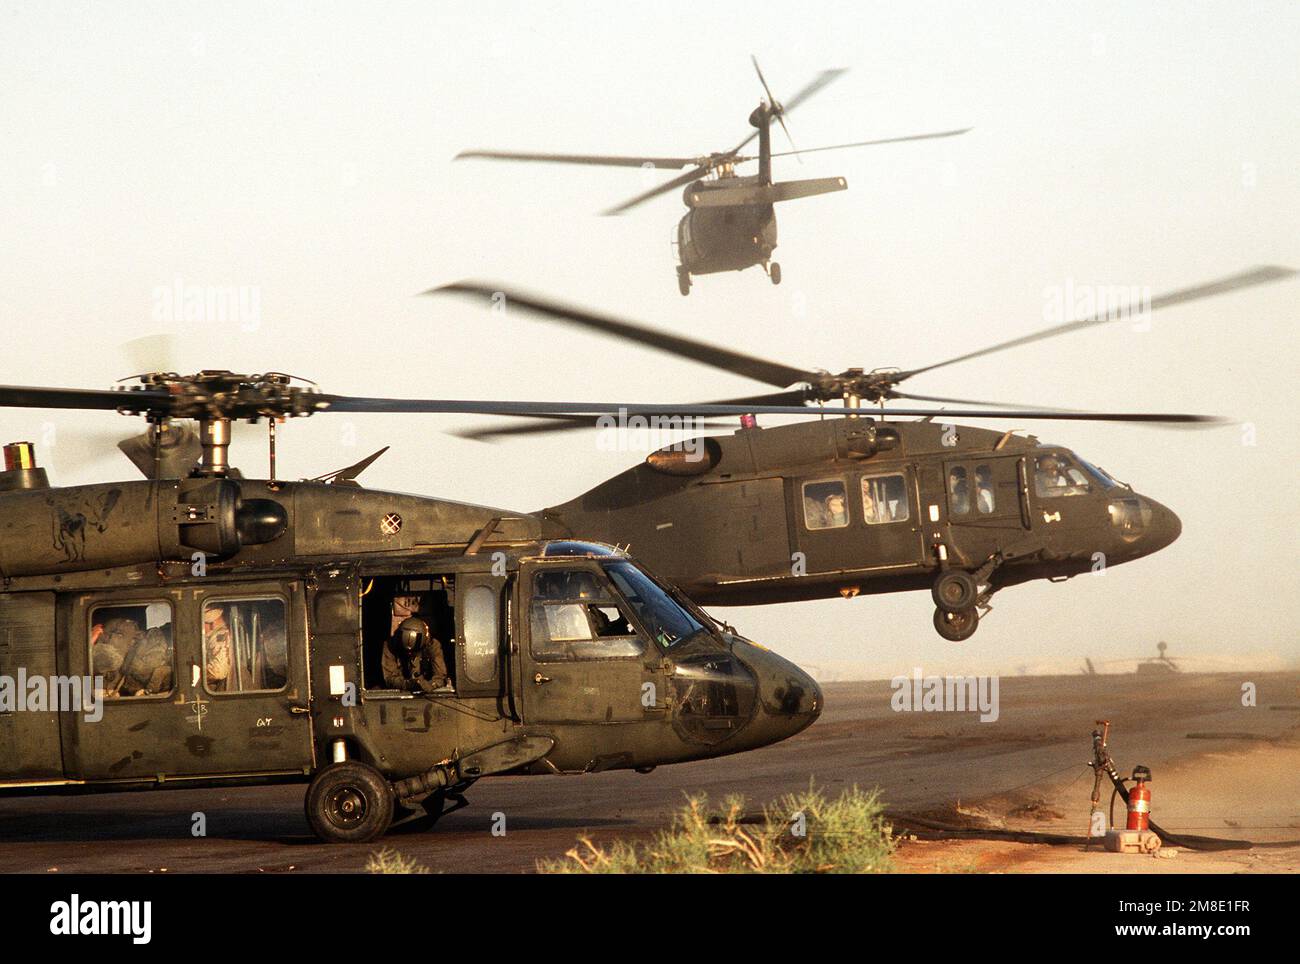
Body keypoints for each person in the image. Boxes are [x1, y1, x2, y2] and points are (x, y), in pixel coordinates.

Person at [381, 595, 451, 692]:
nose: (410, 654)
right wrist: (408, 685)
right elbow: (389, 678)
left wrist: (429, 685)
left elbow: (440, 676)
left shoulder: (433, 645)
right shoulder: (390, 645)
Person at [204, 605, 232, 692]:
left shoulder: (220, 636)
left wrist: (195, 675)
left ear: (211, 623)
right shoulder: (214, 636)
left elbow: (218, 672)